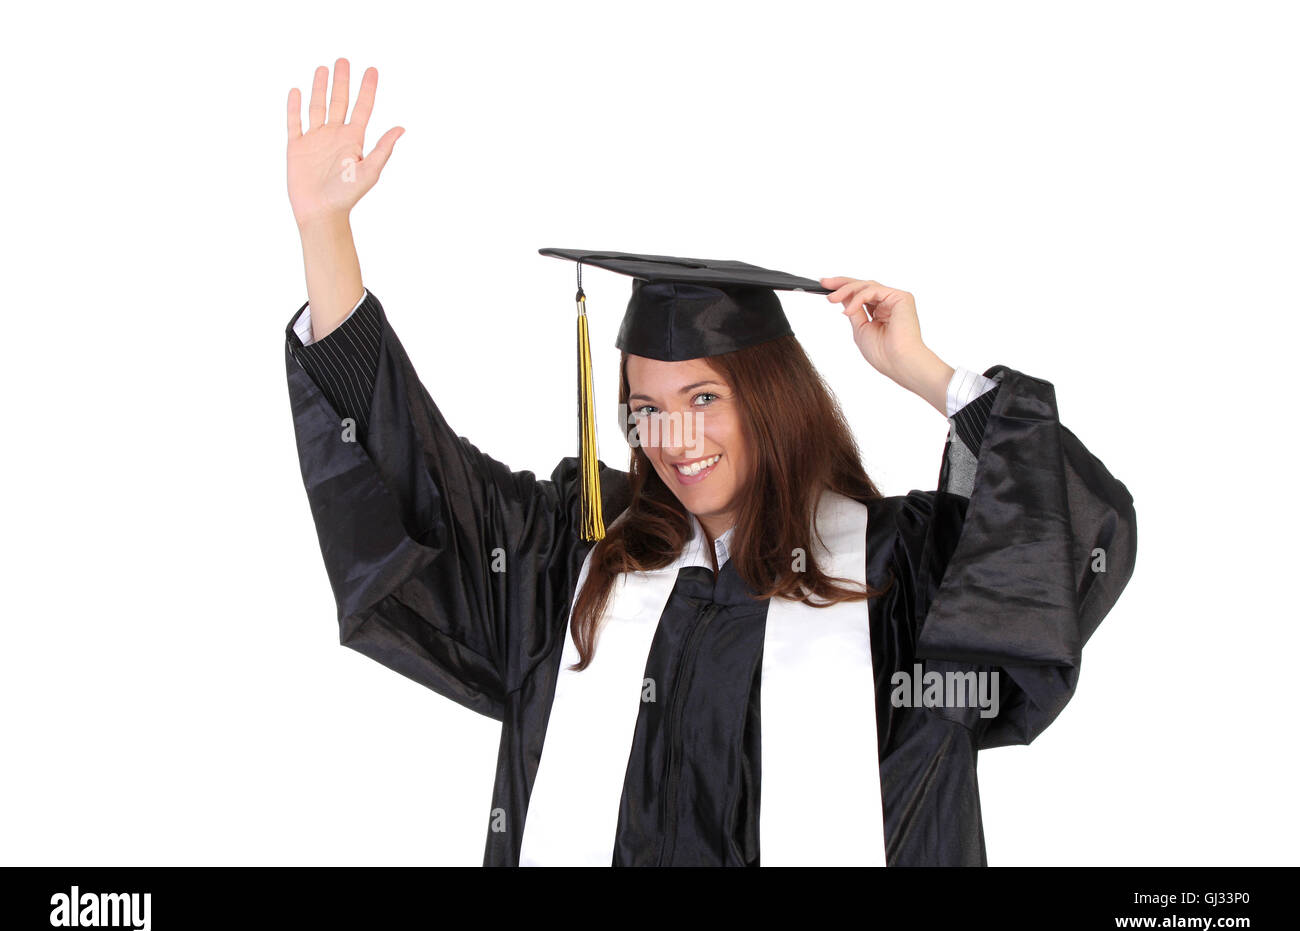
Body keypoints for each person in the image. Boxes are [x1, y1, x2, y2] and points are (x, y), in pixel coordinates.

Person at [283, 59, 1138, 866]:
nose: (676, 439)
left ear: (771, 397)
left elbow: (1058, 538)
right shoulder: (570, 554)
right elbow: (413, 477)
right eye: (648, 408)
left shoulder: (900, 568)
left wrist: (929, 375)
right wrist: (326, 231)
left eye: (704, 400)